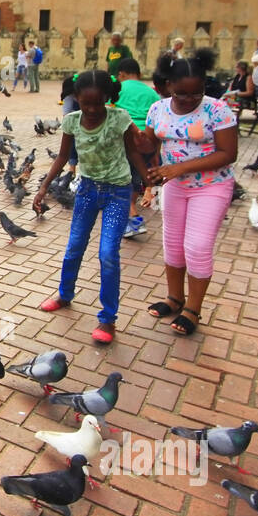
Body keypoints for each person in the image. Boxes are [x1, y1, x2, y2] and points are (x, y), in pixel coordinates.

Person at [34, 70, 151, 345]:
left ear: (108, 99)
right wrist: (43, 187)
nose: (92, 109)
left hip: (117, 193)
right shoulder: (72, 122)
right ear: (76, 99)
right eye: (86, 103)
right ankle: (65, 294)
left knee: (108, 253)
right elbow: (63, 156)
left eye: (98, 103)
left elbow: (134, 152)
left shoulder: (119, 118)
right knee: (75, 245)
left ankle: (108, 319)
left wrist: (148, 182)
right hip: (87, 190)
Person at [139, 49, 239, 337]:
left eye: (196, 93)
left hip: (211, 186)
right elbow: (150, 143)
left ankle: (193, 308)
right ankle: (174, 298)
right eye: (181, 94)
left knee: (197, 247)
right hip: (176, 187)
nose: (189, 100)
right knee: (173, 244)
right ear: (169, 85)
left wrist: (178, 168)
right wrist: (132, 137)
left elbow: (228, 153)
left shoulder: (217, 110)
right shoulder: (158, 109)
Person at [113, 58, 160, 238]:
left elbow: (110, 112)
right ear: (139, 74)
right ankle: (131, 216)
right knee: (134, 179)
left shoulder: (118, 89)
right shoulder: (152, 93)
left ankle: (133, 217)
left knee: (123, 179)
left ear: (121, 74)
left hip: (125, 139)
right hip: (147, 140)